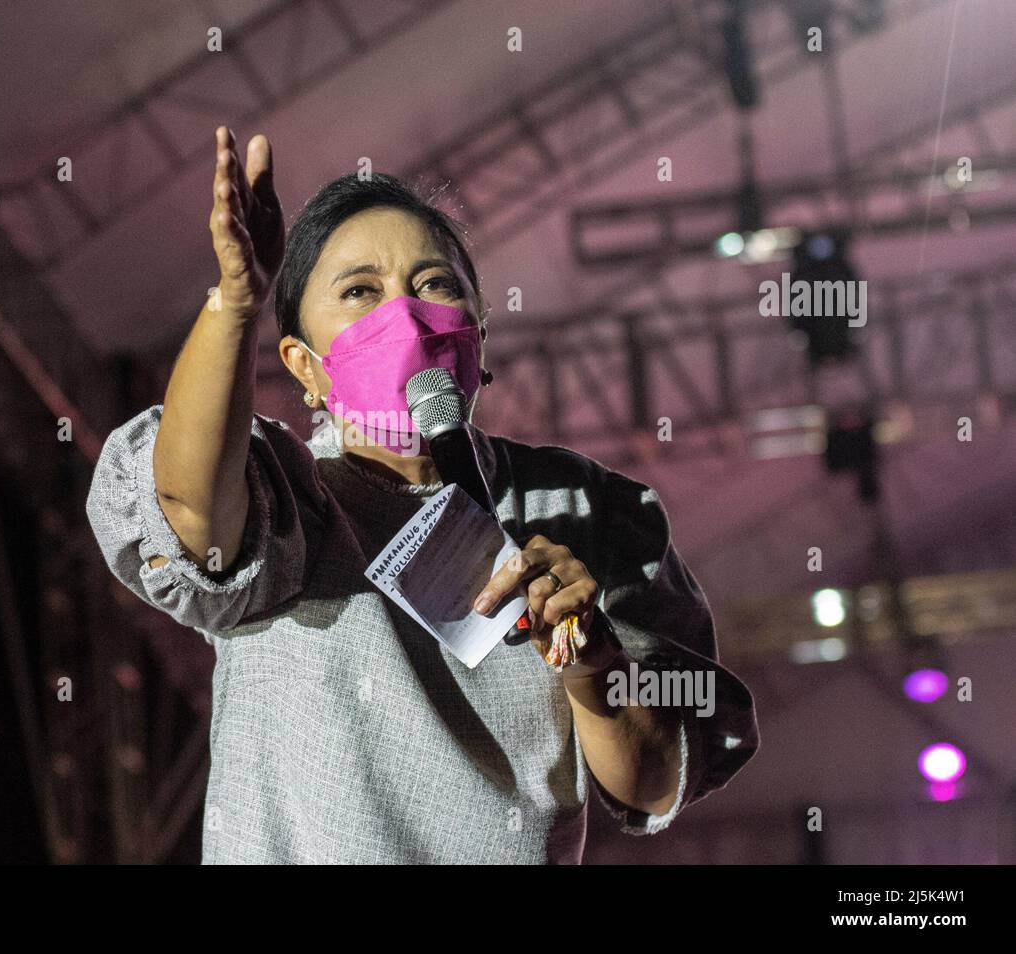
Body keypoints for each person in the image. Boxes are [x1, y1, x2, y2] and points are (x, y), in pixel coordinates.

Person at [85, 126, 759, 863]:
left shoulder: (579, 507)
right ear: (304, 368)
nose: (403, 316)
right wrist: (236, 303)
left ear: (478, 331)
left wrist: (593, 666)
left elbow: (655, 781)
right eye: (359, 292)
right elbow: (186, 509)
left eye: (434, 284)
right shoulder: (282, 499)